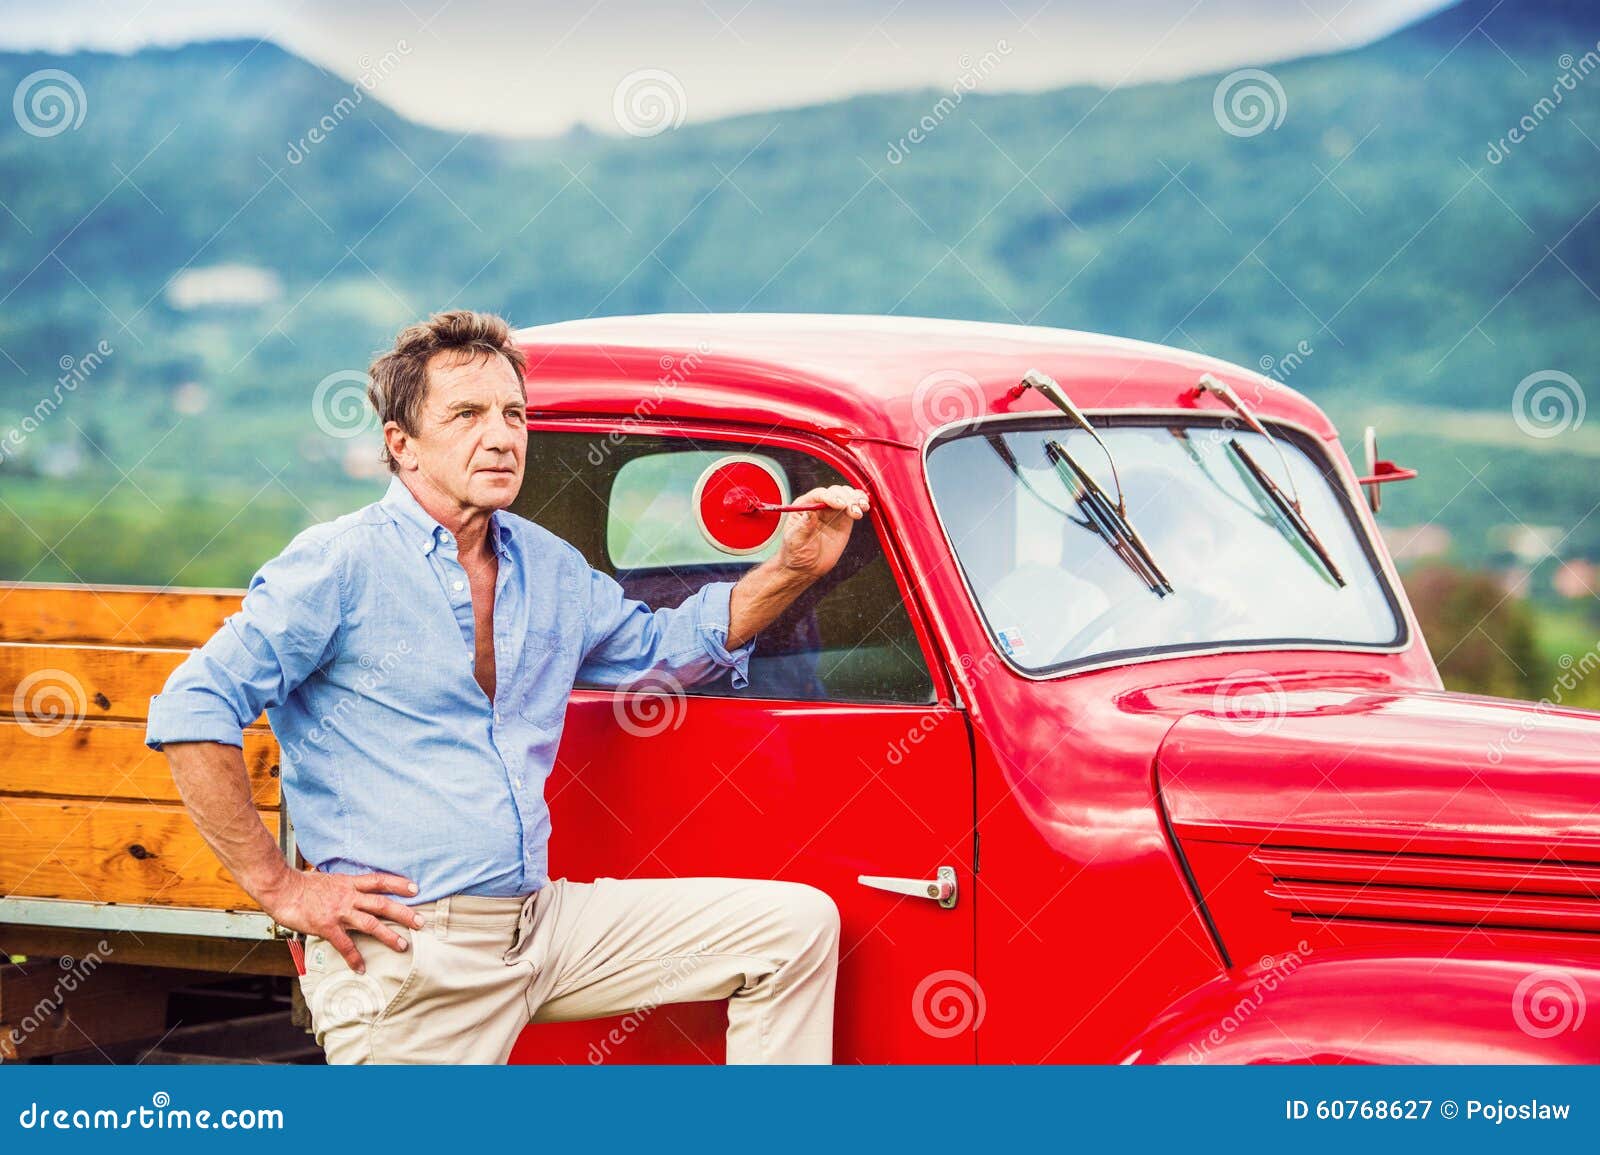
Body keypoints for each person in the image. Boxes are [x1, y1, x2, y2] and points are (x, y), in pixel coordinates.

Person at [145, 310, 869, 1064]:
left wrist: (793, 570)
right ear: (402, 444)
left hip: (539, 926)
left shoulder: (546, 565)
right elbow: (194, 706)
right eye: (466, 414)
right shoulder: (339, 563)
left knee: (793, 928)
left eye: (514, 413)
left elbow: (662, 652)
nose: (501, 435)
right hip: (410, 954)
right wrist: (281, 887)